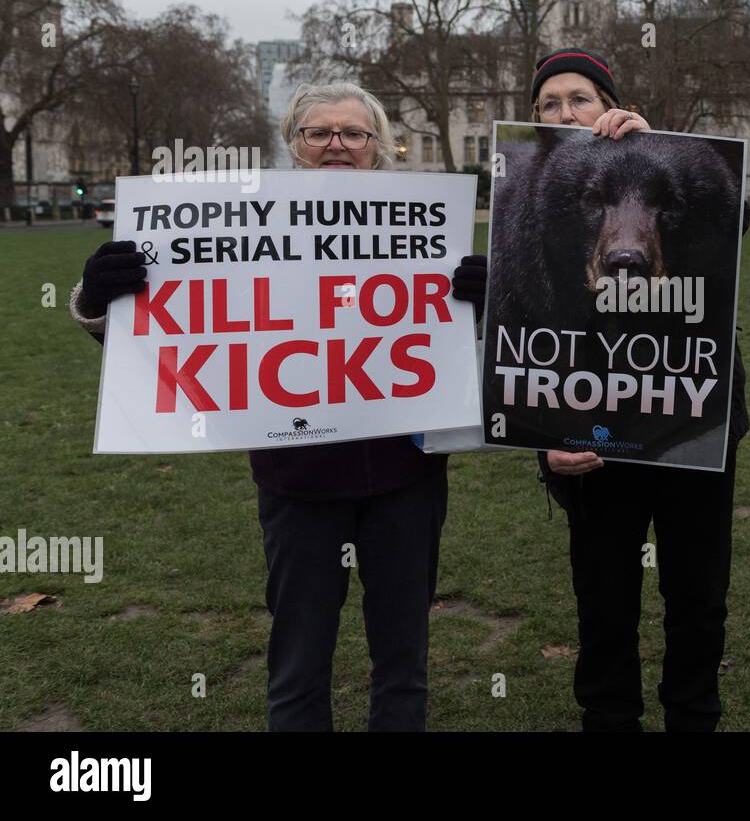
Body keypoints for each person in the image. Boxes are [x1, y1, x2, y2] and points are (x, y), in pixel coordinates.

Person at [69, 81, 476, 731]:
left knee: (404, 665)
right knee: (297, 665)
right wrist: (98, 298)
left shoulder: (427, 224)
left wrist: (483, 303)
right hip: (298, 483)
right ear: (294, 145)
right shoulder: (243, 218)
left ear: (377, 146)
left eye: (353, 133)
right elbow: (169, 333)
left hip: (408, 477)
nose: (337, 144)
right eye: (320, 133)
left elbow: (482, 348)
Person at [453, 47, 749, 731]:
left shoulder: (679, 162)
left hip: (690, 430)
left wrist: (657, 145)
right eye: (548, 105)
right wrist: (541, 441)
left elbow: (722, 268)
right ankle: (609, 716)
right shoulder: (527, 200)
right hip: (586, 438)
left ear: (606, 100)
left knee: (697, 591)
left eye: (579, 98)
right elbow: (523, 336)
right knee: (604, 594)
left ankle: (693, 713)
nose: (565, 113)